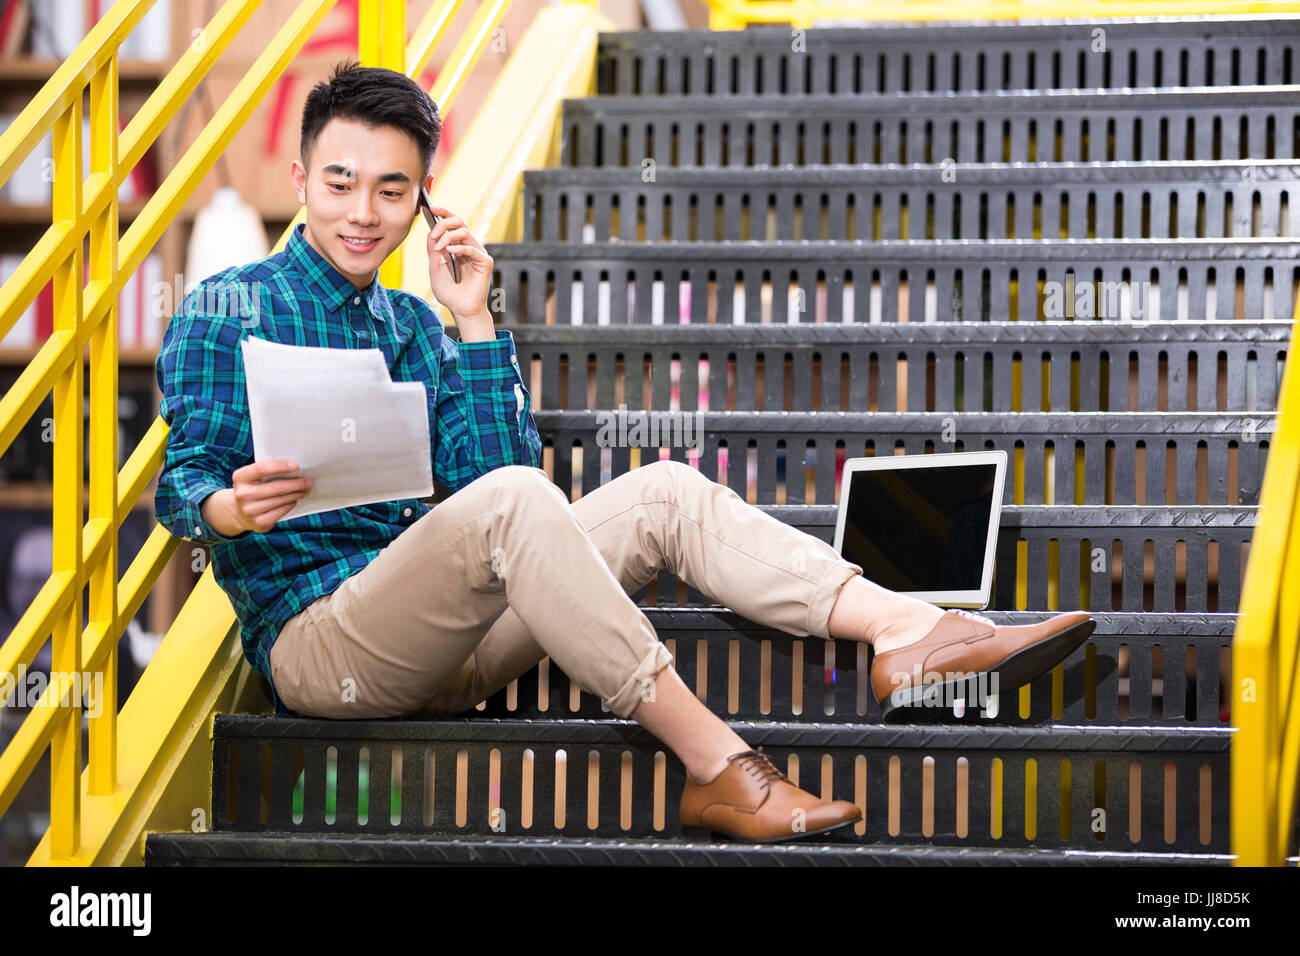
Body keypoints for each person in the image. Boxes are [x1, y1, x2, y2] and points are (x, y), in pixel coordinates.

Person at [154, 61, 1095, 844]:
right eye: (341, 182)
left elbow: (496, 486)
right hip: (325, 645)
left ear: (422, 201)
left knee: (662, 492)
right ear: (301, 176)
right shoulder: (227, 307)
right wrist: (226, 509)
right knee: (522, 502)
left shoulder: (417, 323)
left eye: (393, 189)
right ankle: (718, 763)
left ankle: (904, 633)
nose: (364, 211)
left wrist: (475, 322)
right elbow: (182, 478)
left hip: (453, 635)